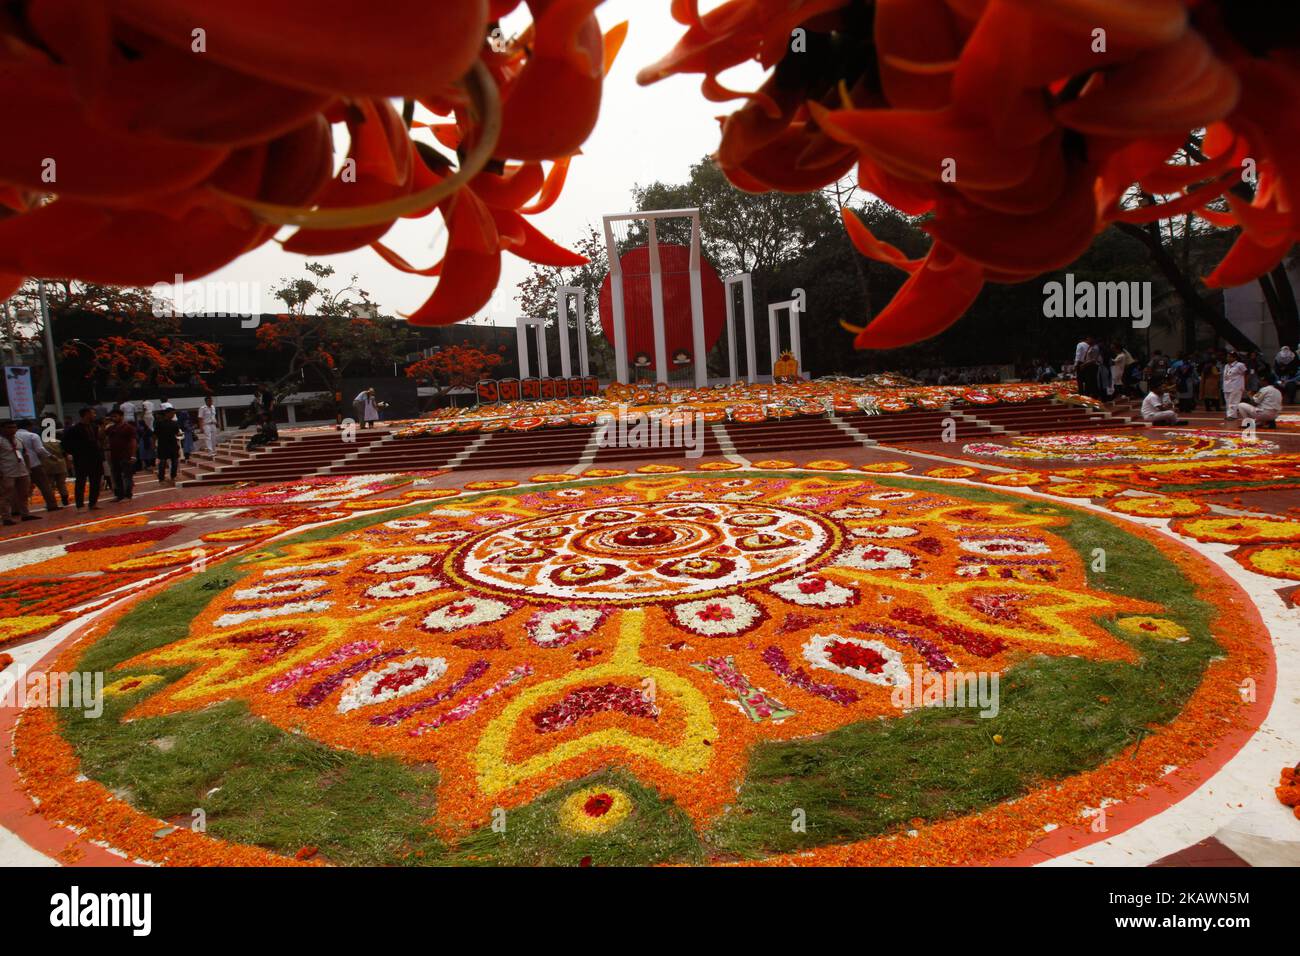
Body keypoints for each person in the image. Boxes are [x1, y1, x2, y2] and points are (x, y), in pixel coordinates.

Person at [63, 407, 104, 510]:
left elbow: (98, 441)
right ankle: (80, 504)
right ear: (86, 414)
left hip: (95, 458)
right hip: (81, 458)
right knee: (81, 482)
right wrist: (74, 453)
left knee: (96, 481)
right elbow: (65, 444)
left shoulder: (94, 427)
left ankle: (93, 503)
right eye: (93, 413)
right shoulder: (74, 429)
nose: (94, 415)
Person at [15, 421, 59, 512]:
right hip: (34, 464)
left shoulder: (13, 436)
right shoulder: (32, 435)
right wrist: (50, 456)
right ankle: (52, 505)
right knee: (44, 485)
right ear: (29, 426)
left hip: (18, 465)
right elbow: (39, 449)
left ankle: (17, 509)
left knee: (20, 488)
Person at [0, 419, 37, 525]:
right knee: (6, 495)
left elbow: (25, 454)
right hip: (7, 471)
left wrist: (28, 468)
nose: (12, 429)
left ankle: (25, 514)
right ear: (2, 429)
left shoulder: (18, 439)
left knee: (24, 494)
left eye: (14, 427)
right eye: (9, 427)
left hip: (22, 470)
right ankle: (6, 517)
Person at [106, 408, 138, 502]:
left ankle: (128, 495)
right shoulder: (111, 428)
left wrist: (133, 455)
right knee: (117, 476)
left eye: (115, 416)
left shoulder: (128, 428)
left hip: (126, 455)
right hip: (115, 456)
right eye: (112, 417)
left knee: (127, 476)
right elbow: (102, 436)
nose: (113, 418)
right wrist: (104, 424)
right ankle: (119, 495)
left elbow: (133, 441)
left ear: (121, 416)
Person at [153, 406, 182, 484]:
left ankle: (173, 476)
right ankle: (161, 478)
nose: (173, 415)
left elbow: (177, 433)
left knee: (175, 461)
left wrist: (180, 434)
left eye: (174, 413)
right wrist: (153, 444)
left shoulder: (174, 423)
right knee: (162, 462)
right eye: (172, 413)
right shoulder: (159, 423)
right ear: (167, 413)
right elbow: (155, 435)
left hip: (173, 444)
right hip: (163, 444)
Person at [42, 431, 70, 508]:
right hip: (61, 464)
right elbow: (65, 454)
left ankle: (52, 502)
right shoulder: (59, 442)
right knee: (61, 484)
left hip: (48, 466)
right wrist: (68, 464)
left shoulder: (42, 444)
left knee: (50, 485)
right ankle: (65, 500)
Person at [1222, 351, 1248, 420]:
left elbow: (1246, 374)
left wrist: (1244, 384)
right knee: (1228, 401)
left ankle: (1232, 416)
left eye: (1230, 357)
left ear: (1235, 358)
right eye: (1227, 356)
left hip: (1236, 386)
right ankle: (1229, 415)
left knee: (1233, 401)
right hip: (1227, 386)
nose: (1228, 358)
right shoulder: (1226, 366)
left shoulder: (1240, 365)